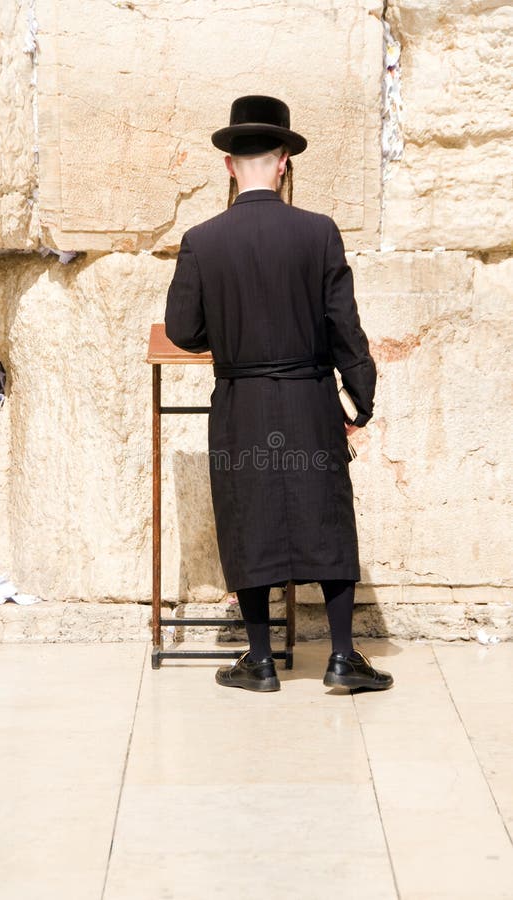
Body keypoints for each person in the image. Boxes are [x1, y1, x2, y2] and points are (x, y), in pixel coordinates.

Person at [164, 95, 393, 694]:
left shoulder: (202, 239)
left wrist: (232, 329)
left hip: (241, 404)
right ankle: (343, 659)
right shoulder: (317, 232)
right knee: (328, 519)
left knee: (249, 519)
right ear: (284, 159)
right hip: (310, 398)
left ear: (229, 165)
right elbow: (345, 326)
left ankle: (260, 661)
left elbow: (185, 331)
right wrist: (359, 398)